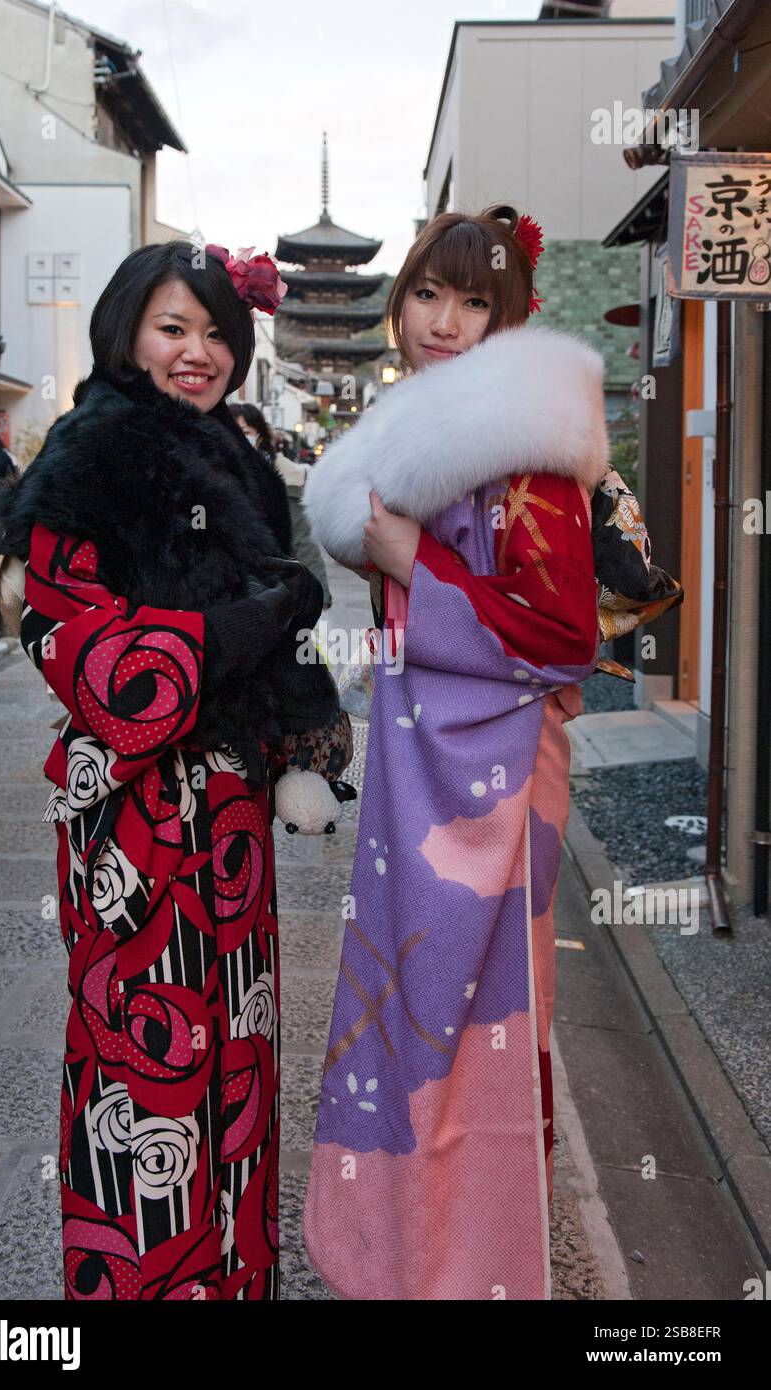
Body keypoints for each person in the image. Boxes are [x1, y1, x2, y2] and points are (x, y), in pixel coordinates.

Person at [0, 239, 340, 1301]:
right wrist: (252, 621)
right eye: (171, 329)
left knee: (236, 1051)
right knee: (145, 1061)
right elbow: (90, 659)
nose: (198, 353)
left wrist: (296, 709)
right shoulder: (84, 455)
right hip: (136, 818)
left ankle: (236, 1278)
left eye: (216, 335)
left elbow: (281, 633)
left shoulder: (232, 453)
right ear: (124, 334)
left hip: (226, 813)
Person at [301, 205, 609, 1300]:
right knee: (408, 1009)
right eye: (427, 293)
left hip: (492, 775)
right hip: (418, 763)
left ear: (510, 316)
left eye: (475, 300)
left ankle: (466, 1267)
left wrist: (409, 561)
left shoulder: (523, 443)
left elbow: (560, 631)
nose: (444, 321)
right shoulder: (427, 434)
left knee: (469, 1020)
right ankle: (395, 1248)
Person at [230, 402, 332, 608]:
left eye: (244, 432)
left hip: (274, 591)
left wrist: (321, 592)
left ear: (258, 436)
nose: (236, 439)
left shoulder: (286, 478)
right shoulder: (209, 472)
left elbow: (303, 542)